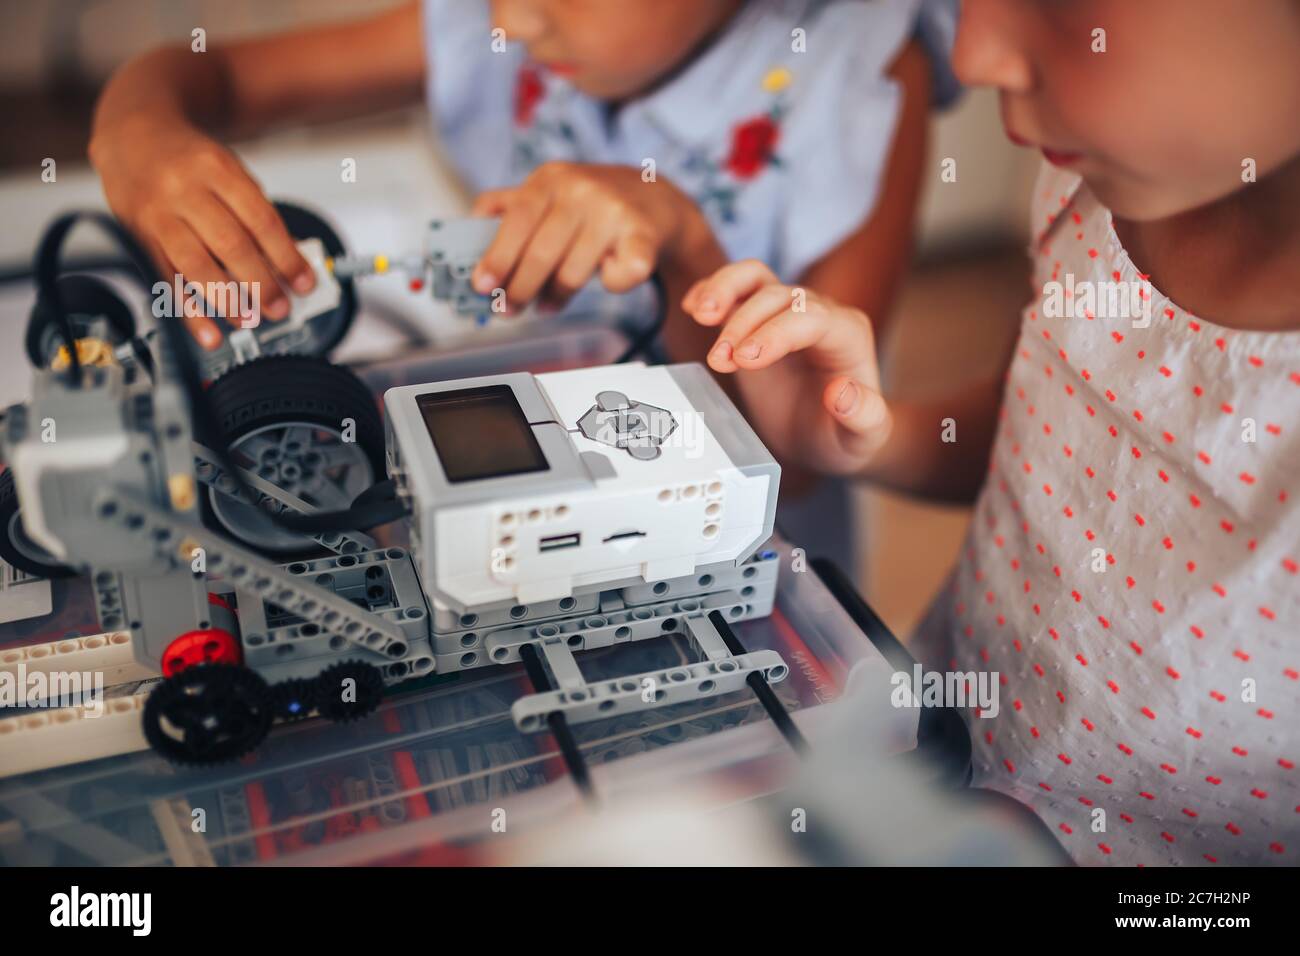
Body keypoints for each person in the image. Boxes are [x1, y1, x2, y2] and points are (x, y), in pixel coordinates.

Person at [684, 0, 1300, 865]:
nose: (970, 54)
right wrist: (871, 433)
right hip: (929, 759)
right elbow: (1047, 427)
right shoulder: (1096, 189)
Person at [90, 0, 958, 572]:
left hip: (727, 552)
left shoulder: (863, 77)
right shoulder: (501, 19)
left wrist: (687, 240)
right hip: (520, 477)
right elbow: (218, 77)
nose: (510, 17)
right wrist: (137, 133)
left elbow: (795, 458)